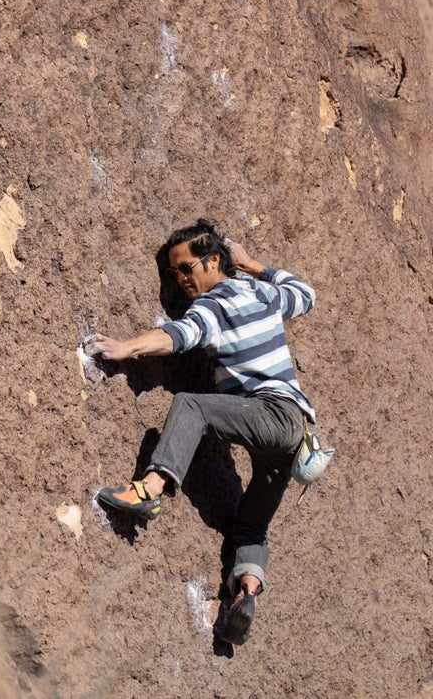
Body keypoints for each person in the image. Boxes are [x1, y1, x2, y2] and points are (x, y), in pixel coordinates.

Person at [87, 218, 318, 647]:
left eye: (186, 268)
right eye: (173, 274)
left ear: (214, 261)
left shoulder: (218, 302)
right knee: (249, 528)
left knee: (191, 404)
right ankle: (244, 594)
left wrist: (126, 347)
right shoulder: (262, 292)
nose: (180, 280)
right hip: (296, 437)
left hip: (272, 414)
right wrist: (256, 266)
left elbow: (179, 335)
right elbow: (306, 296)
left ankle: (148, 491)